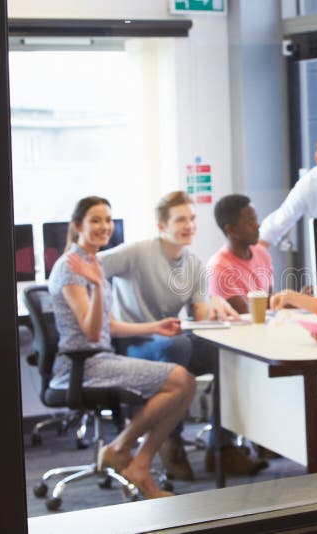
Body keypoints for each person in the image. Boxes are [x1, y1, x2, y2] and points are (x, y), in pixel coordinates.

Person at [98, 191, 268, 477]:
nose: (189, 226)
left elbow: (200, 317)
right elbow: (87, 269)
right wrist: (103, 312)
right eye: (180, 220)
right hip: (134, 343)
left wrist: (217, 306)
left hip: (170, 343)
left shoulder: (193, 264)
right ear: (162, 226)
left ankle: (222, 446)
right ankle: (170, 439)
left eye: (191, 219)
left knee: (225, 350)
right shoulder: (138, 252)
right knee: (178, 347)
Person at [48, 196, 194, 500]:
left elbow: (109, 326)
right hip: (83, 365)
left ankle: (134, 460)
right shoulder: (70, 268)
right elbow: (90, 332)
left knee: (184, 383)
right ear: (78, 226)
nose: (104, 227)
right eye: (95, 220)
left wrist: (155, 327)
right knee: (181, 380)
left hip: (100, 358)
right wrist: (99, 286)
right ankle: (123, 450)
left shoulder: (91, 263)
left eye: (108, 220)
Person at [207, 194, 273, 314]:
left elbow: (269, 303)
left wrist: (298, 299)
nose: (257, 225)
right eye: (250, 221)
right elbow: (246, 313)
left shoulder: (262, 253)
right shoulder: (218, 268)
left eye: (256, 219)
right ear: (231, 230)